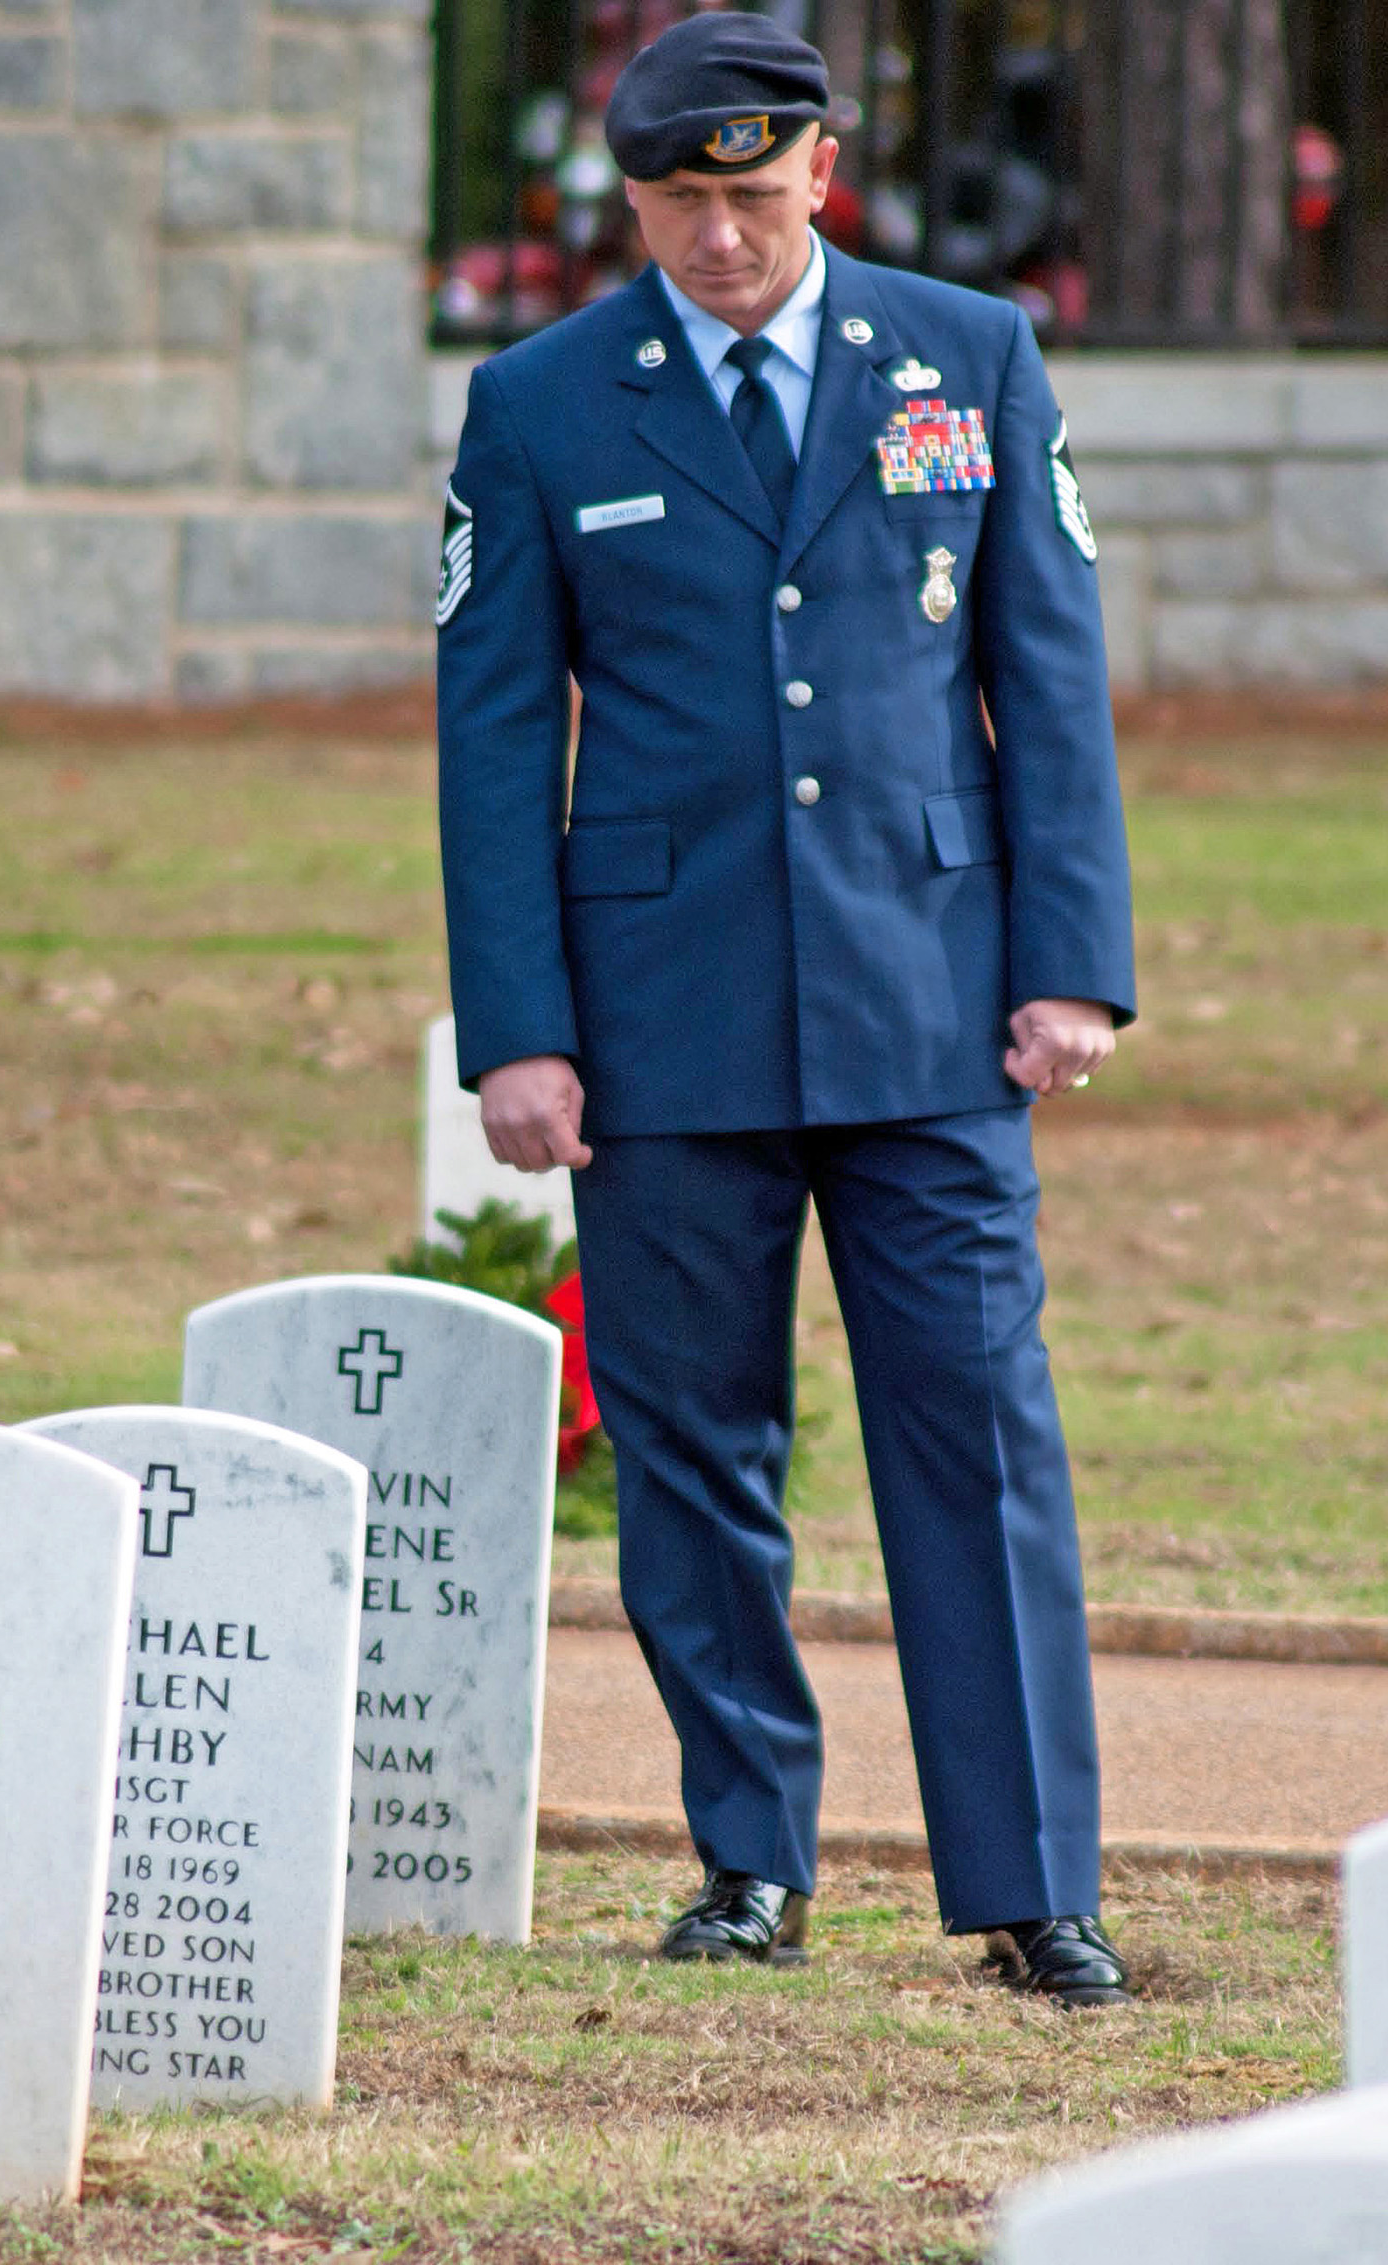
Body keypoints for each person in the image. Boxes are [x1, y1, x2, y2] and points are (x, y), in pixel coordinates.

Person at [436, 13, 1136, 2007]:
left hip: (929, 1000)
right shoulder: (544, 403)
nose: (724, 239)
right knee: (693, 1448)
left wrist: (1070, 959)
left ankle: (1031, 1880)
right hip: (660, 1017)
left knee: (978, 1434)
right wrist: (519, 1026)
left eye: (756, 195)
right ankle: (749, 1855)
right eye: (683, 201)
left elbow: (1047, 675)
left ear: (823, 171)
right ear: (631, 196)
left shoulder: (968, 355)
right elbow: (496, 738)